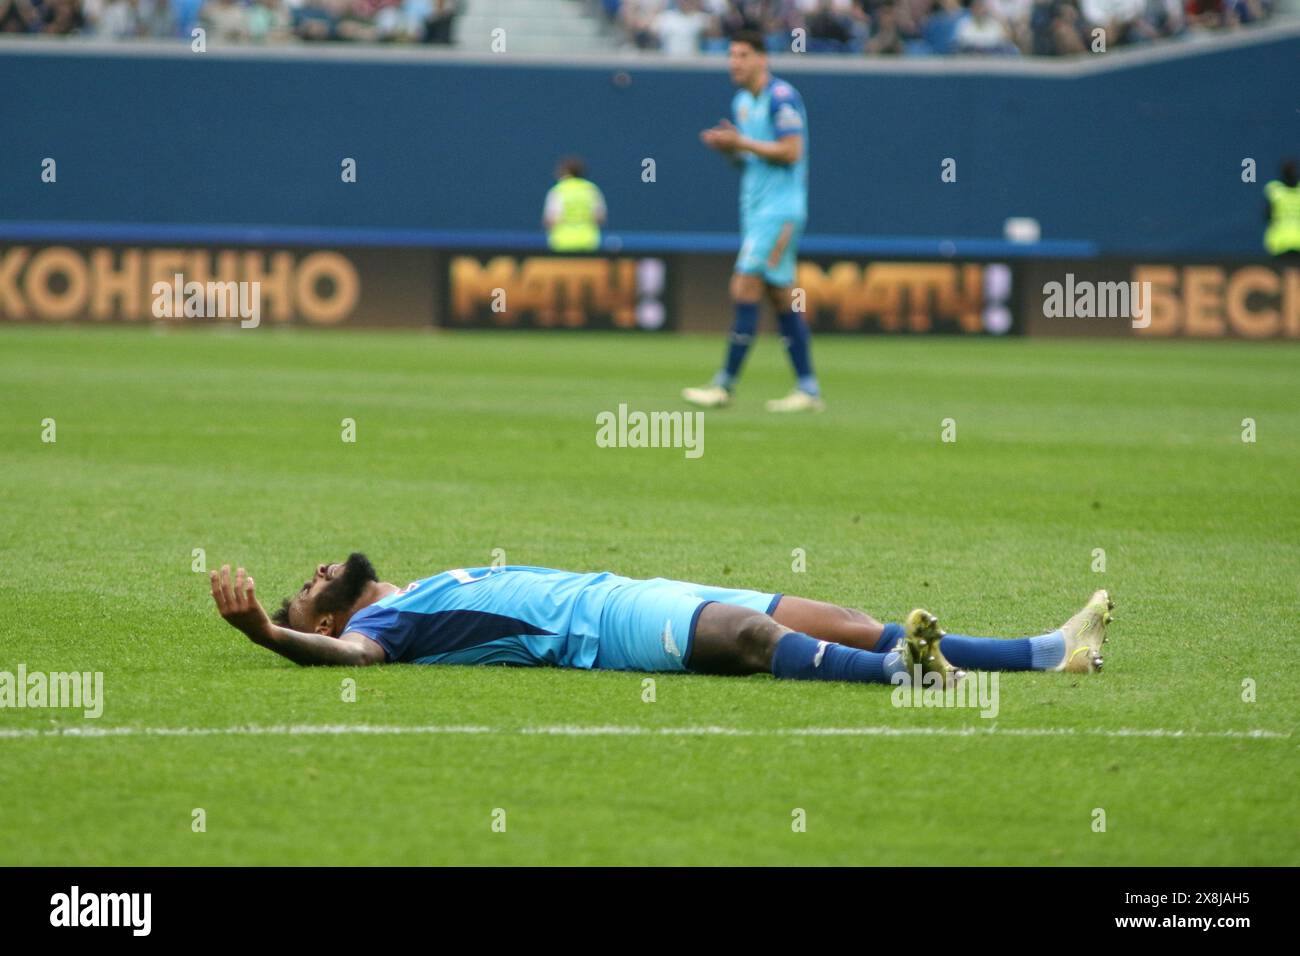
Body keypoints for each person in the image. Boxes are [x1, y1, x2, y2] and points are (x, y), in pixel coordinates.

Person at [208, 553, 1113, 684]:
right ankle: (907, 675)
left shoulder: (407, 590)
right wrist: (266, 635)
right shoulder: (390, 633)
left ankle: (1047, 652)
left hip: (632, 587)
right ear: (321, 624)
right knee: (758, 644)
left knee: (840, 614)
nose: (321, 571)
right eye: (306, 590)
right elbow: (360, 661)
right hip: (605, 634)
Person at [683, 30, 823, 413]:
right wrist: (729, 149)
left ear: (762, 58)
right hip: (756, 207)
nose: (734, 63)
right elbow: (751, 159)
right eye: (731, 56)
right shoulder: (743, 101)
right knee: (780, 297)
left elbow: (791, 152)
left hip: (780, 210)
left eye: (742, 55)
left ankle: (724, 385)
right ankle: (808, 389)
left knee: (744, 284)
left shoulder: (782, 98)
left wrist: (740, 143)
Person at [543, 156, 607, 253]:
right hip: (588, 242)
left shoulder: (558, 191)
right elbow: (600, 218)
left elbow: (551, 220)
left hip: (561, 243)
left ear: (565, 171)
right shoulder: (591, 190)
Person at [1264, 159, 1300, 261]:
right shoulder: (1274, 190)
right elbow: (1267, 215)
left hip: (1281, 242)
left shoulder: (1274, 190)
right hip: (1279, 243)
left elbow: (1267, 215)